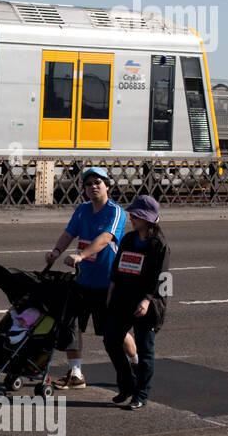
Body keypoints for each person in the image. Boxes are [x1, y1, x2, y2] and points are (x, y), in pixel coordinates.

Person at [43, 166, 130, 389]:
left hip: (107, 284)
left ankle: (137, 364)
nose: (93, 187)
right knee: (72, 326)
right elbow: (69, 232)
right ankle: (76, 373)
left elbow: (104, 238)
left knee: (114, 332)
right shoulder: (82, 209)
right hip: (82, 281)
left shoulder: (115, 211)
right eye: (88, 184)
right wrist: (55, 252)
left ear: (107, 186)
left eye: (97, 182)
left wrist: (81, 255)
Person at [103, 195, 170, 409]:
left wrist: (147, 300)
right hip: (122, 298)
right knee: (111, 339)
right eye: (133, 213)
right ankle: (127, 384)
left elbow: (163, 279)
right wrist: (111, 291)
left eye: (137, 215)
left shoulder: (158, 245)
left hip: (146, 305)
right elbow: (117, 267)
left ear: (148, 219)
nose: (132, 217)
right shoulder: (129, 239)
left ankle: (141, 394)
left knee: (145, 350)